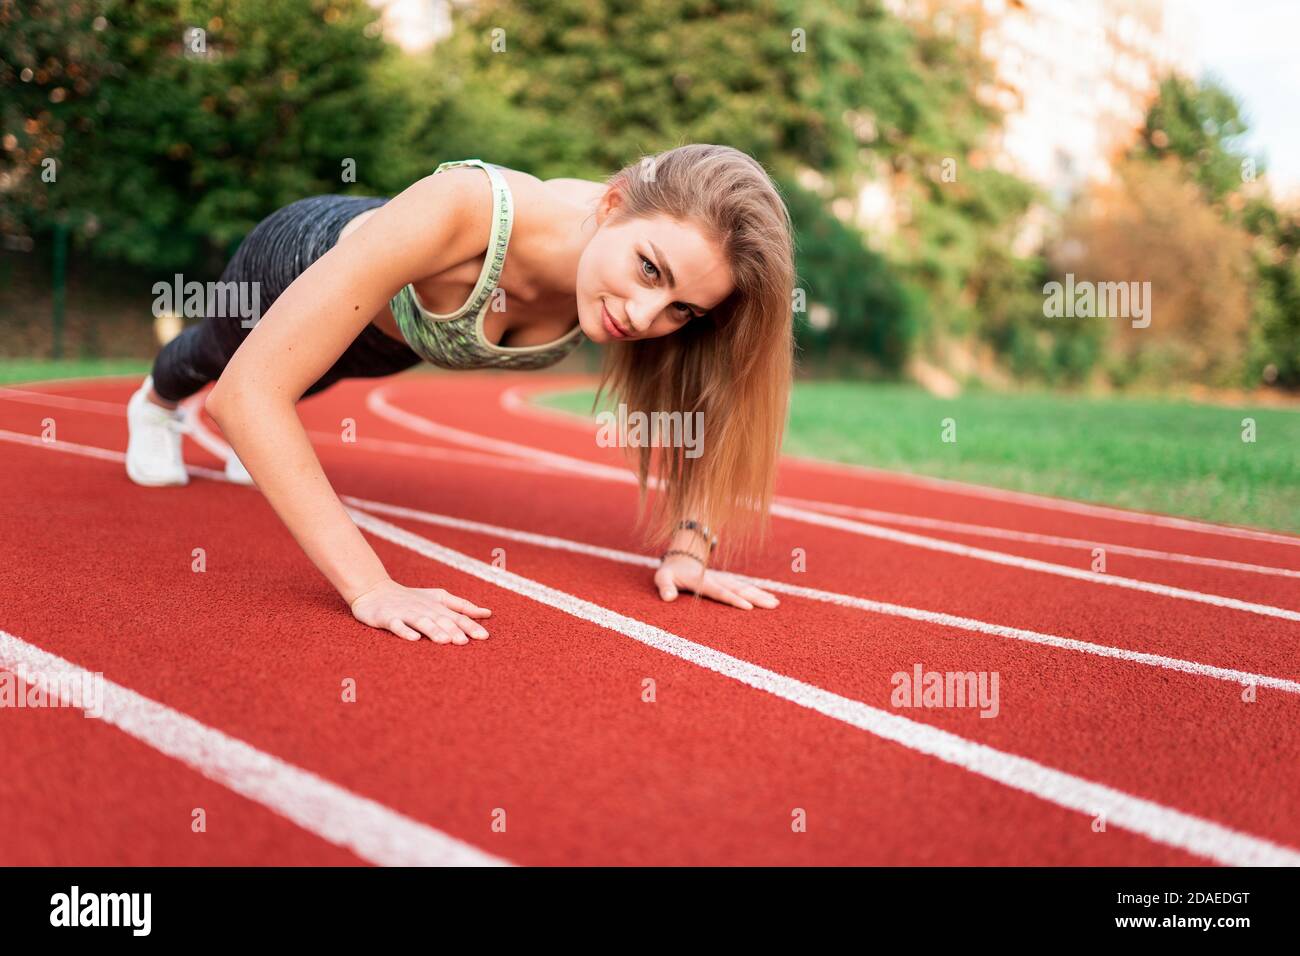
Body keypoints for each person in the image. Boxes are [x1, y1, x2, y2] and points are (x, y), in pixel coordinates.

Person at [125, 143, 794, 643]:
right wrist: (371, 589)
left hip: (391, 344)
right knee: (214, 358)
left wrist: (689, 548)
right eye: (649, 269)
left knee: (310, 383)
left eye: (683, 309)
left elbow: (707, 400)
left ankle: (258, 425)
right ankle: (153, 408)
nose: (647, 318)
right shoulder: (468, 209)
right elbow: (242, 398)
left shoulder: (659, 275)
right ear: (613, 201)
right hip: (295, 260)